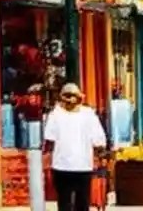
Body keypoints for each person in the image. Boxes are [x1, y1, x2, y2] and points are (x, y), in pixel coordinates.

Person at [43, 83, 107, 211]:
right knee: (82, 204)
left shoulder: (55, 114)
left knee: (64, 203)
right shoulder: (88, 114)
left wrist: (46, 160)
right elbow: (99, 141)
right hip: (81, 166)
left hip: (62, 166)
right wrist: (101, 156)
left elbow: (49, 140)